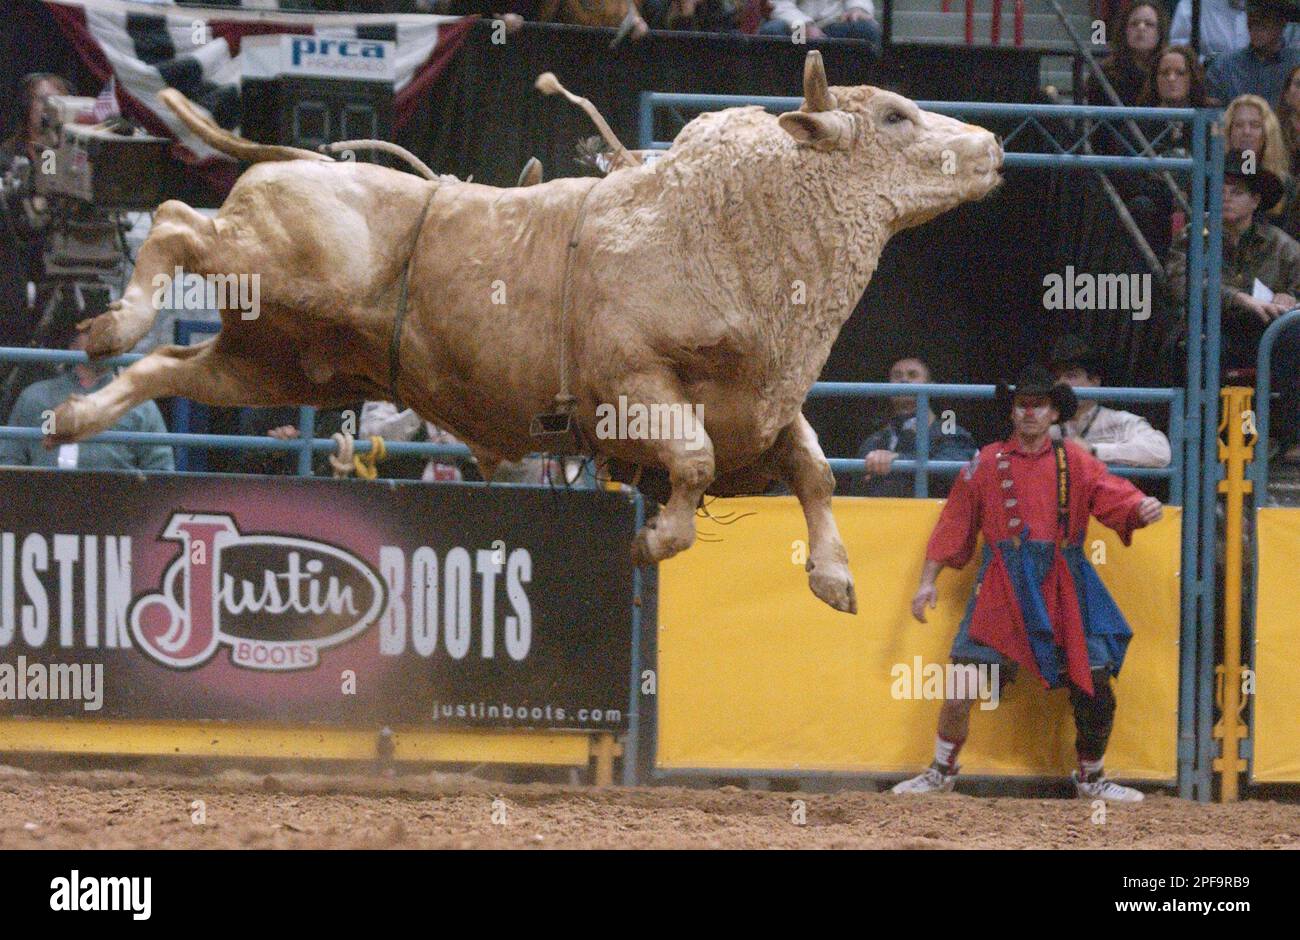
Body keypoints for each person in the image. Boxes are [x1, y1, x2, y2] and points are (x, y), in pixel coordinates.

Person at [892, 364, 1164, 801]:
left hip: (1064, 581)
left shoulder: (1075, 459)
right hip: (1002, 581)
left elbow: (1113, 494)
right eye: (1023, 405)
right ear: (1013, 412)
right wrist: (927, 583)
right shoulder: (984, 462)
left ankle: (1092, 779)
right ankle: (941, 771)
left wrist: (1140, 508)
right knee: (963, 682)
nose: (1031, 413)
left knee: (1095, 683)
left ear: (1054, 413)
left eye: (1040, 406)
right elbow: (954, 524)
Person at [1167, 150, 1300, 462]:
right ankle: (1206, 442)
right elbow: (1179, 283)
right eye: (1220, 192)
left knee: (1295, 340)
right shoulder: (1193, 237)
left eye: (1237, 192)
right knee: (1194, 350)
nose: (1226, 198)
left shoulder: (1282, 245)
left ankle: (1286, 436)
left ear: (1255, 201)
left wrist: (1291, 298)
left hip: (1267, 336)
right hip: (1213, 331)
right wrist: (1236, 298)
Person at [0, 331, 173, 471]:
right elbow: (10, 462)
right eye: (91, 331)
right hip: (45, 505)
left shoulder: (140, 404)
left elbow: (161, 472)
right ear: (72, 344)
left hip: (117, 506)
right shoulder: (35, 397)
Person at [854, 356, 976, 497]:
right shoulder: (875, 439)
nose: (904, 380)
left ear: (931, 386)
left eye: (913, 375)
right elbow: (857, 488)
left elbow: (953, 474)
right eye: (897, 376)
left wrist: (897, 460)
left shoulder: (949, 431)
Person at [1048, 334, 1172, 467]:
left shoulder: (1120, 421)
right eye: (1056, 377)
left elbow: (1160, 452)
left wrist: (1094, 450)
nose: (1061, 383)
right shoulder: (1044, 423)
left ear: (1094, 382)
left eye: (1071, 376)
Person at [1205, 0, 1300, 108]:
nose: (1256, 21)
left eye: (1265, 16)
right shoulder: (1223, 67)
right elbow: (1213, 117)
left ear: (1281, 23)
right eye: (1252, 15)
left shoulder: (1296, 65)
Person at [1223, 94, 1292, 224]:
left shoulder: (1286, 185)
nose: (1246, 131)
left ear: (1267, 132)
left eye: (1255, 125)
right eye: (1238, 125)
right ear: (1229, 131)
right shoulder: (1210, 176)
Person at [359, 400, 468, 482]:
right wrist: (420, 409)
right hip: (400, 500)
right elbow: (371, 439)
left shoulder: (468, 391)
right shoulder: (384, 388)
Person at [760, 0, 882, 54]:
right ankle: (778, 97)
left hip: (833, 25)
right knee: (773, 31)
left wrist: (857, 8)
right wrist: (806, 25)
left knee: (866, 29)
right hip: (797, 28)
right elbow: (780, 5)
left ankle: (860, 95)